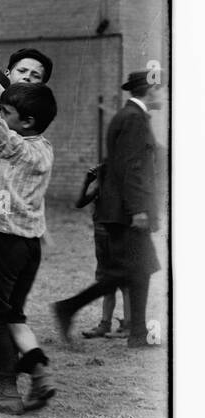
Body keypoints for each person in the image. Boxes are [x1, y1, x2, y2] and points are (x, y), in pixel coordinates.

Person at [0, 50, 59, 413]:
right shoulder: (44, 148)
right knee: (13, 314)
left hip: (2, 239)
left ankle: (7, 391)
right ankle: (39, 372)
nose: (3, 119)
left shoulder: (15, 147)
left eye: (10, 115)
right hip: (29, 244)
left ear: (27, 121)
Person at [53, 70, 164, 349]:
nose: (163, 95)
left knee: (139, 269)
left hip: (122, 211)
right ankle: (68, 308)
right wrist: (138, 210)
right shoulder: (134, 119)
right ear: (149, 91)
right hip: (127, 213)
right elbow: (132, 168)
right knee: (126, 270)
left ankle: (137, 332)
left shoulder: (130, 117)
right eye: (161, 89)